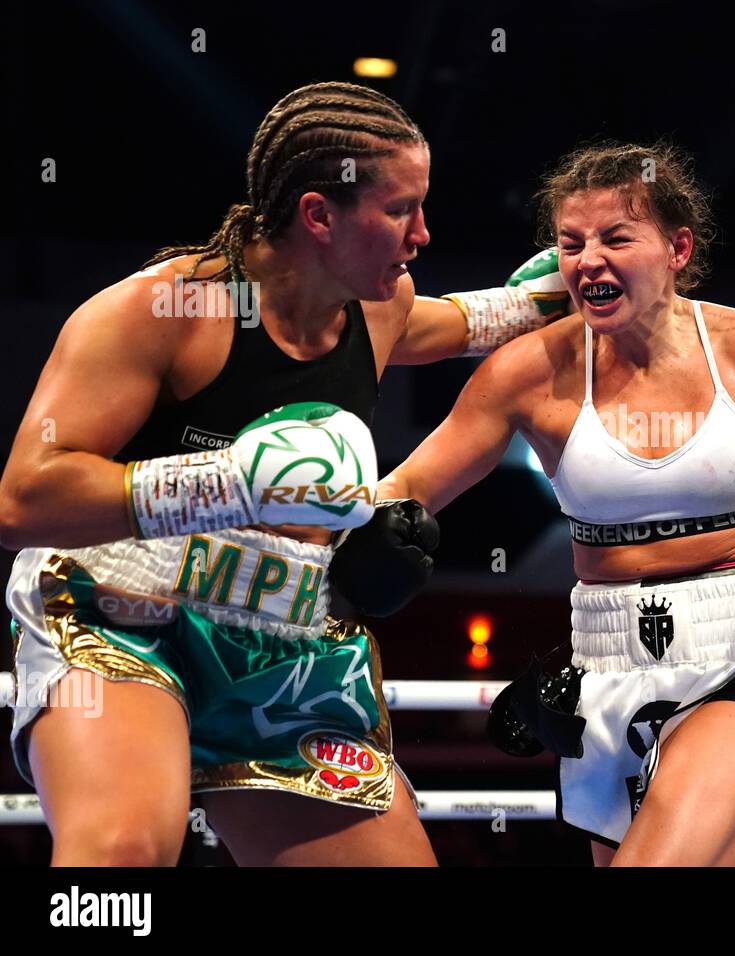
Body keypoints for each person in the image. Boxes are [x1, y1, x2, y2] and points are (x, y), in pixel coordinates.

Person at [0, 81, 564, 866]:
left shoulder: (382, 306)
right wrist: (230, 482)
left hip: (285, 633)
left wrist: (571, 286)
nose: (423, 233)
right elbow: (25, 498)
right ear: (318, 214)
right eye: (400, 209)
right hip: (125, 614)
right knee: (121, 851)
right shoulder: (166, 309)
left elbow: (466, 322)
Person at [379, 141, 735, 866]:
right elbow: (405, 490)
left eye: (617, 238)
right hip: (603, 668)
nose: (589, 259)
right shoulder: (529, 370)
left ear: (678, 248)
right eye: (571, 242)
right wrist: (321, 525)